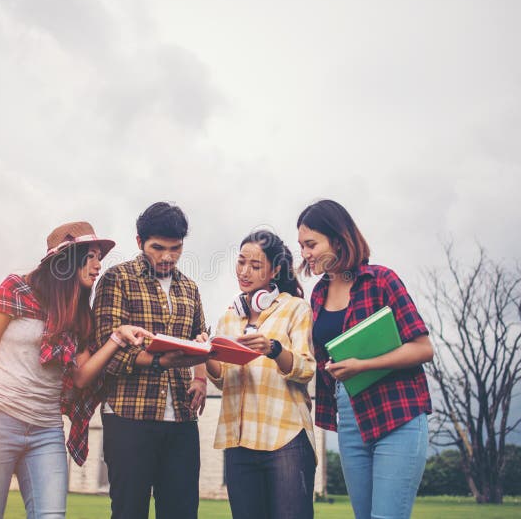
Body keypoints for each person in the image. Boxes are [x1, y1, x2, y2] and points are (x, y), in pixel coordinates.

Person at [0, 221, 152, 519]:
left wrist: (117, 337)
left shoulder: (79, 313)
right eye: (90, 256)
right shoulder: (15, 289)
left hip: (46, 430)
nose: (97, 266)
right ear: (66, 259)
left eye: (99, 258)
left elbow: (81, 376)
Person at [297, 200, 433, 519]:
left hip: (397, 414)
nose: (305, 253)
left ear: (338, 239)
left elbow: (423, 348)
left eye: (311, 244)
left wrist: (363, 365)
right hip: (350, 417)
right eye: (301, 246)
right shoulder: (317, 295)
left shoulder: (382, 280)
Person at [92, 202, 209, 519]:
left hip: (183, 421)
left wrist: (200, 377)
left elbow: (201, 337)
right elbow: (106, 352)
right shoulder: (117, 279)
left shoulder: (190, 289)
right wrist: (159, 362)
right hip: (129, 417)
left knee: (182, 512)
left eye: (176, 248)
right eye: (158, 247)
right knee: (130, 512)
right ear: (139, 241)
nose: (167, 257)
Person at [205, 230, 316, 519]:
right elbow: (221, 378)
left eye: (255, 266)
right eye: (241, 262)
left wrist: (274, 349)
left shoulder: (296, 309)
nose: (244, 272)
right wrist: (205, 355)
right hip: (238, 444)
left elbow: (306, 368)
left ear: (276, 270)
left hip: (285, 440)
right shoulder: (229, 316)